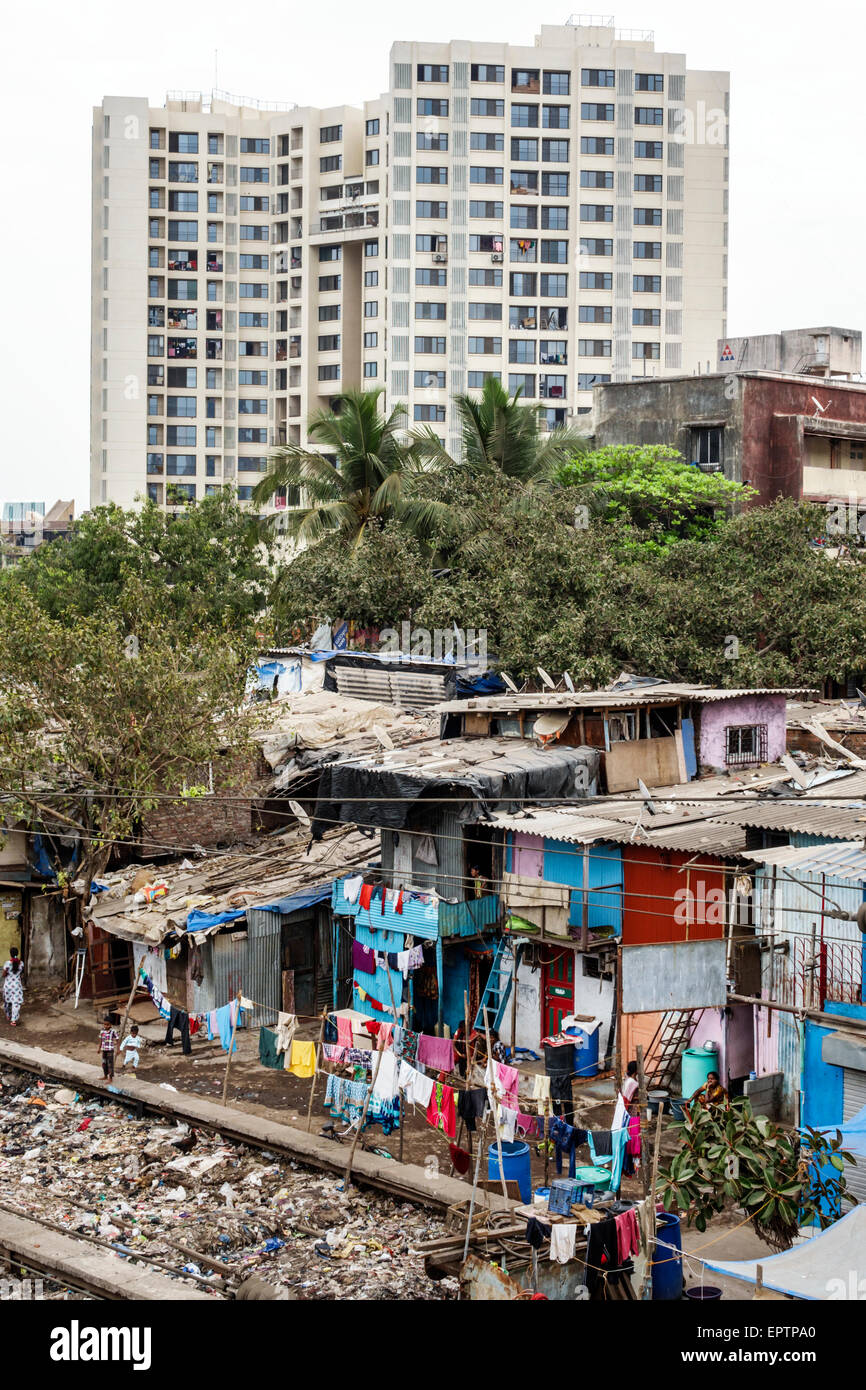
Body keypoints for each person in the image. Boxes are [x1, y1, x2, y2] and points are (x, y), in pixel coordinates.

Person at [3, 958, 24, 1026]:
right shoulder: (21, 963)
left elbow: (4, 974)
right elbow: (21, 973)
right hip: (17, 986)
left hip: (8, 986)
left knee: (7, 1001)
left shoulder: (7, 963)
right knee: (16, 1003)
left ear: (10, 954)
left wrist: (6, 973)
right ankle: (13, 1020)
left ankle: (8, 1015)